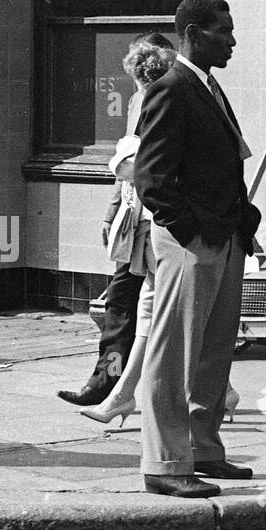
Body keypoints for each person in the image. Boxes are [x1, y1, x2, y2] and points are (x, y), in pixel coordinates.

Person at [134, 0, 262, 498]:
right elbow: (152, 179)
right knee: (173, 353)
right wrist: (188, 232)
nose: (232, 40)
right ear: (192, 32)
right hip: (192, 243)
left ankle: (204, 448)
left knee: (213, 351)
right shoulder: (171, 88)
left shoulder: (207, 86)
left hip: (223, 236)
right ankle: (164, 463)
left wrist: (236, 226)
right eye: (223, 31)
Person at [57, 33, 175, 408]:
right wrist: (113, 211)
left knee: (139, 306)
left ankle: (110, 386)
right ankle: (107, 383)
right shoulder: (138, 100)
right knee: (127, 304)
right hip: (135, 216)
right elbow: (126, 164)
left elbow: (136, 162)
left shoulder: (163, 100)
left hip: (155, 220)